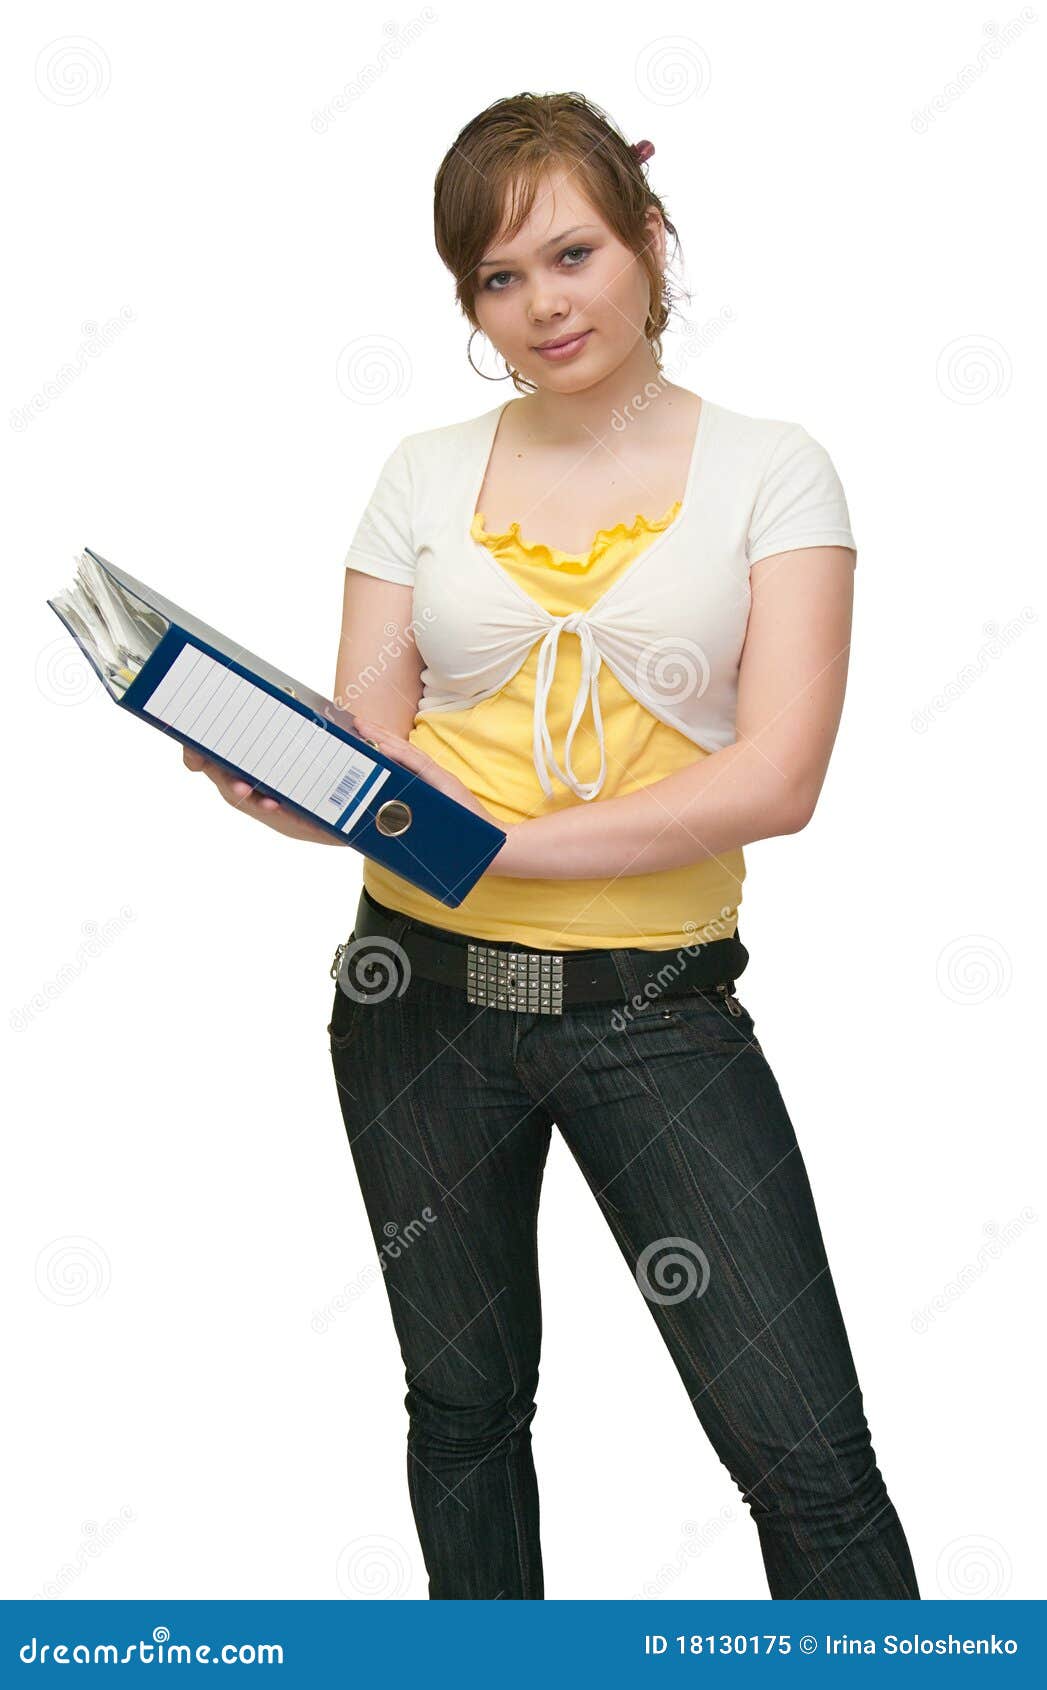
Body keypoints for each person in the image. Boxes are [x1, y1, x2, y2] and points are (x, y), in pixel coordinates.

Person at [184, 91, 920, 1602]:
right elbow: (378, 743)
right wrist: (294, 785)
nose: (542, 305)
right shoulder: (420, 472)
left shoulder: (776, 470)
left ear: (651, 239)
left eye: (573, 254)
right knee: (464, 1418)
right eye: (498, 279)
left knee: (807, 1462)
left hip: (652, 1005)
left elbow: (779, 778)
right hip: (412, 998)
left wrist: (497, 844)